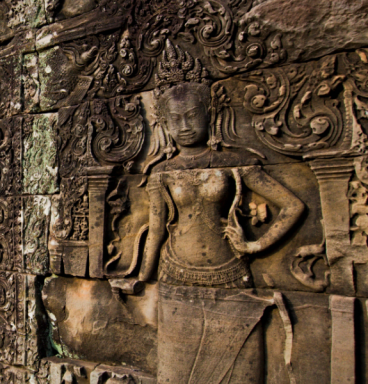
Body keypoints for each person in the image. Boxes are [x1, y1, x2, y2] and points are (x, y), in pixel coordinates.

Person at [139, 41, 305, 384]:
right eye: (175, 120)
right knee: (175, 374)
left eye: (192, 116)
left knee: (239, 373)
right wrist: (140, 277)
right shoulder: (161, 172)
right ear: (165, 125)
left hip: (229, 274)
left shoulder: (234, 162)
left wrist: (257, 245)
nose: (184, 126)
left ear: (209, 114)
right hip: (175, 275)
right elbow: (156, 231)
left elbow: (293, 205)